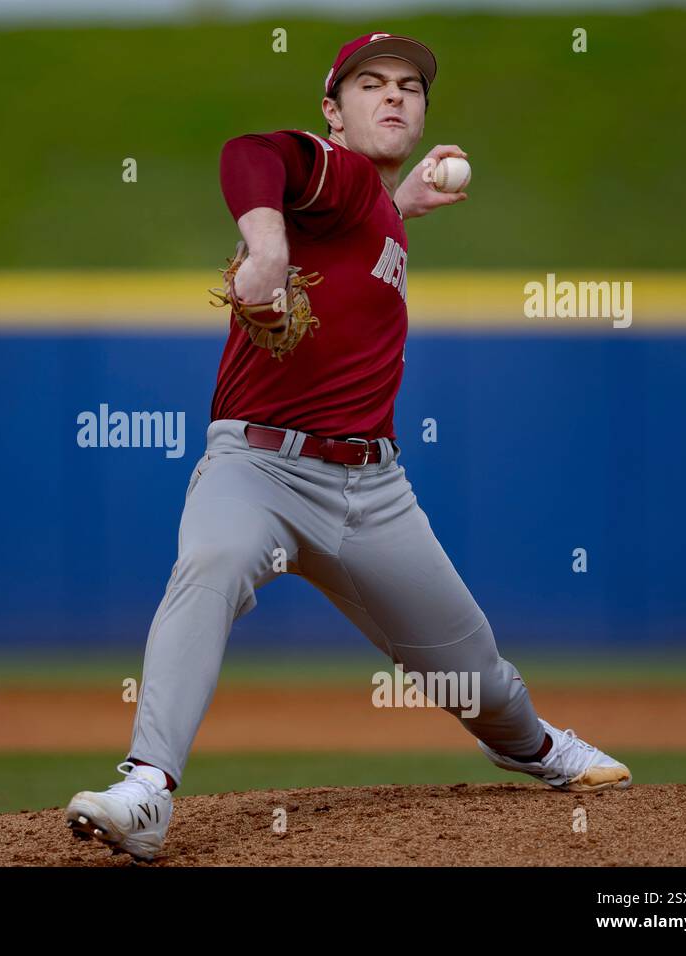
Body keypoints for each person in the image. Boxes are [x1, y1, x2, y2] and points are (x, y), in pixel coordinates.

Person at [65, 32, 630, 863]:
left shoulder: (373, 206)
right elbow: (249, 151)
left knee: (473, 673)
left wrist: (403, 211)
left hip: (373, 492)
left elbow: (353, 231)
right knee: (211, 563)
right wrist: (265, 244)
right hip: (257, 469)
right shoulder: (337, 172)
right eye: (371, 84)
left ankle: (529, 746)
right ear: (333, 109)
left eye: (410, 85)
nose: (396, 95)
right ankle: (146, 786)